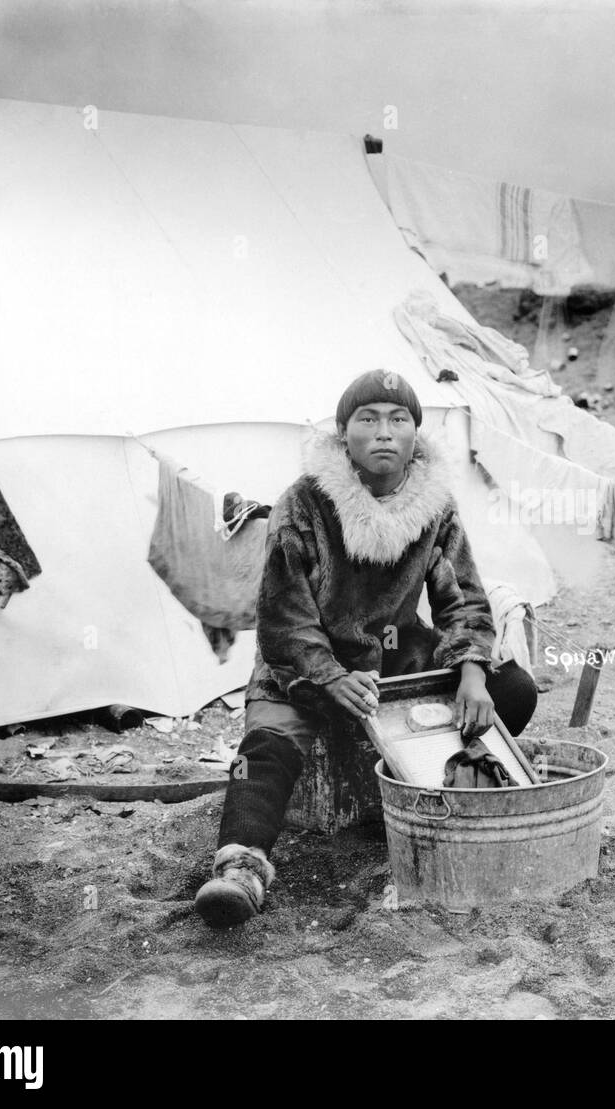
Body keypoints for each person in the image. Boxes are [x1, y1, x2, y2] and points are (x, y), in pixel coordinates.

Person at [195, 369, 538, 927]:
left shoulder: (436, 505)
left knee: (512, 691)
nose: (384, 432)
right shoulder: (304, 503)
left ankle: (426, 793)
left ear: (415, 437)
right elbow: (284, 618)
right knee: (268, 745)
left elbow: (463, 599)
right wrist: (329, 676)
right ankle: (242, 869)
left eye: (398, 419)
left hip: (396, 657)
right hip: (304, 663)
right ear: (343, 435)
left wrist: (472, 669)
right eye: (368, 419)